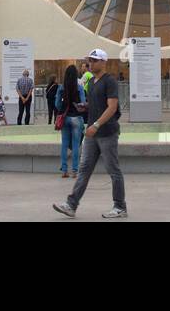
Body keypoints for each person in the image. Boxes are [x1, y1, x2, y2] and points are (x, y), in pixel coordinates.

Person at [53, 49, 126, 219]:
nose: (90, 63)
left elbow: (112, 107)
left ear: (103, 62)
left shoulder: (110, 81)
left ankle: (120, 206)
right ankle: (71, 205)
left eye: (94, 60)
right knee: (84, 169)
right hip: (93, 135)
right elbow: (96, 104)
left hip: (107, 132)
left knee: (113, 170)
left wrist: (97, 124)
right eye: (89, 60)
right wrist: (85, 107)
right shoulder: (92, 82)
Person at [54, 64, 86, 178]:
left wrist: (63, 107)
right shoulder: (79, 87)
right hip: (76, 118)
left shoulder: (61, 88)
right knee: (76, 145)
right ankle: (75, 171)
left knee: (64, 144)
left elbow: (57, 104)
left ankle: (64, 170)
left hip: (65, 117)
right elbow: (82, 103)